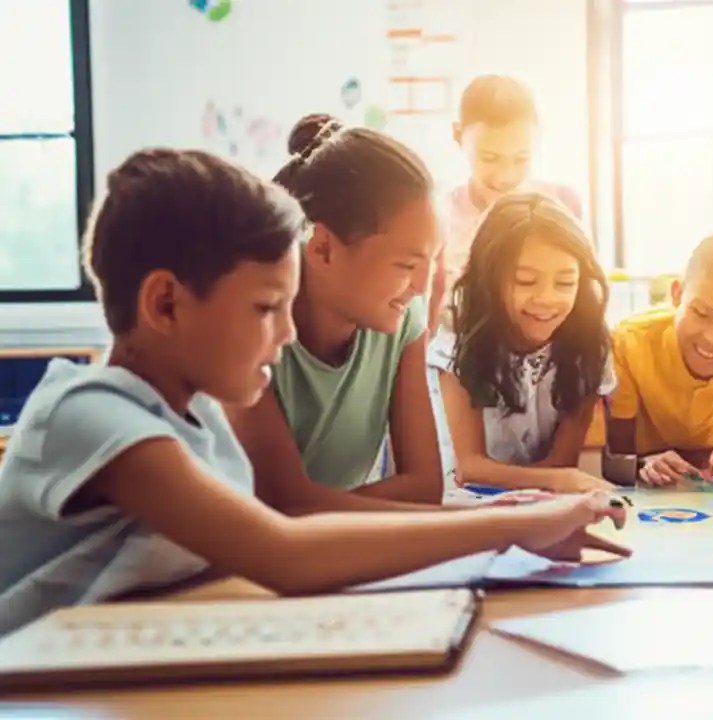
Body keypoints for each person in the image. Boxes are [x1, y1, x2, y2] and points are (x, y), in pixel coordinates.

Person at [0, 149, 628, 636]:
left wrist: (495, 519)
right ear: (165, 304)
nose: (286, 333)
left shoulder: (200, 421)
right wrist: (510, 526)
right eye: (266, 308)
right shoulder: (91, 413)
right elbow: (282, 549)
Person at [227, 114, 445, 511]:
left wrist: (320, 505)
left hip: (331, 543)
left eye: (432, 262)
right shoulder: (249, 326)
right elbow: (285, 505)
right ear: (323, 248)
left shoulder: (402, 321)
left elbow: (426, 487)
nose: (421, 287)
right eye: (407, 265)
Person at [431, 192, 615, 493]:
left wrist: (555, 480)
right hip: (464, 501)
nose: (546, 299)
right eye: (526, 281)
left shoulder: (589, 342)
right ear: (489, 280)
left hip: (540, 500)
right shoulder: (459, 336)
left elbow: (562, 462)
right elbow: (470, 467)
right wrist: (557, 480)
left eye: (565, 283)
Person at [604, 232, 713, 487]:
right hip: (643, 488)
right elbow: (618, 458)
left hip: (704, 491)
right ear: (677, 294)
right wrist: (643, 464)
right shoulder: (629, 341)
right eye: (701, 313)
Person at [428, 75, 582, 331]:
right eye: (489, 158)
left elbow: (584, 296)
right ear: (458, 135)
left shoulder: (563, 203)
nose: (505, 176)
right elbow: (431, 313)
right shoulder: (440, 216)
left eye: (521, 159)